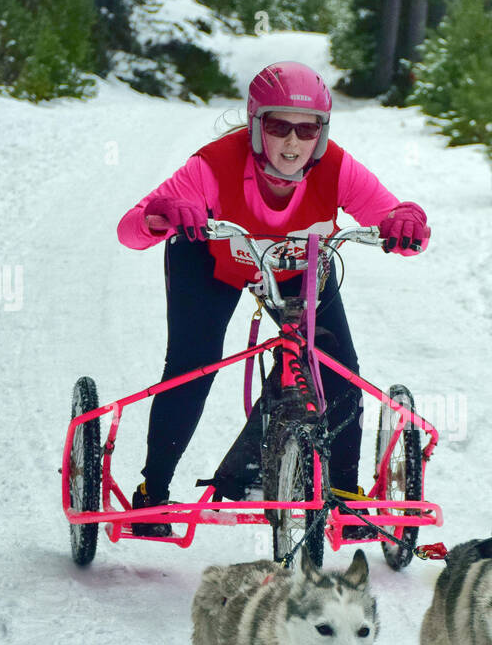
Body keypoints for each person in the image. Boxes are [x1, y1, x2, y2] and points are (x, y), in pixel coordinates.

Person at [116, 60, 431, 536]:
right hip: (211, 260)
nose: (292, 142)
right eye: (279, 126)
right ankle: (153, 494)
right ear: (256, 124)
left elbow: (396, 218)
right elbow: (130, 230)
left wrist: (406, 221)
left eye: (308, 130)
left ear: (321, 134)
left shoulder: (336, 167)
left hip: (297, 266)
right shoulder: (211, 166)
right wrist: (161, 215)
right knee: (192, 364)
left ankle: (345, 499)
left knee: (338, 368)